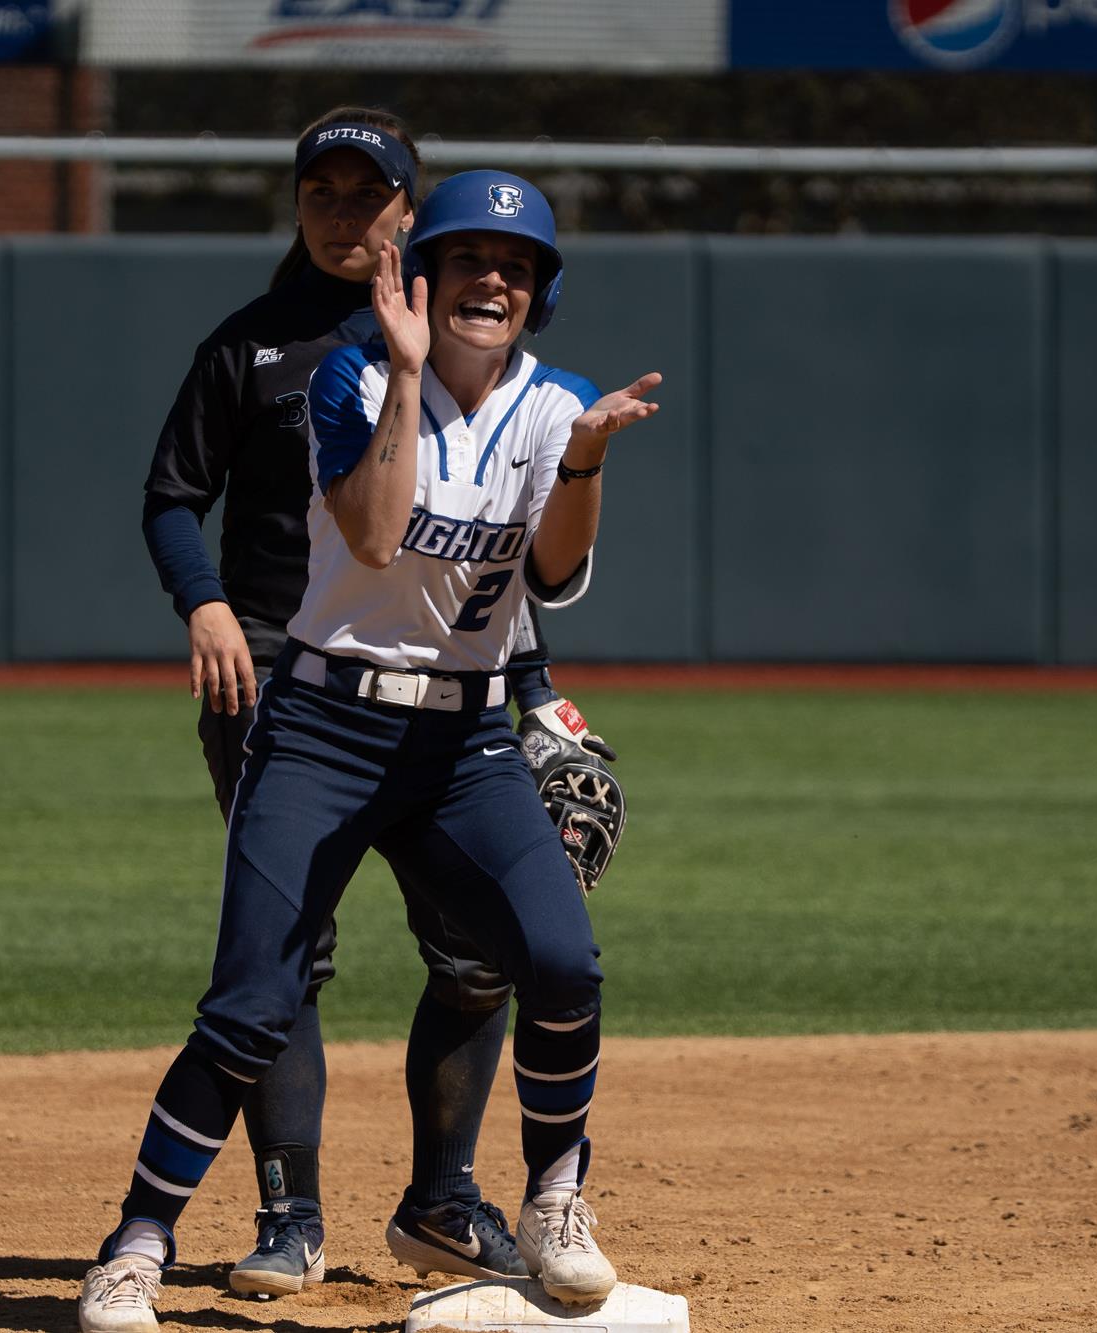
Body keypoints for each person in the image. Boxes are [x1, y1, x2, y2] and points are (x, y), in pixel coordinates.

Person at [81, 168, 662, 1332]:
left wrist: (587, 459)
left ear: (537, 293)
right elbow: (374, 529)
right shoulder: (350, 373)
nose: (490, 281)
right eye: (467, 263)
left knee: (561, 961)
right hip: (323, 728)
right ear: (425, 278)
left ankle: (554, 1197)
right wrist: (402, 369)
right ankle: (136, 1242)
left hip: (462, 746)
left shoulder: (554, 407)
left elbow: (550, 576)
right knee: (251, 1000)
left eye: (515, 268)